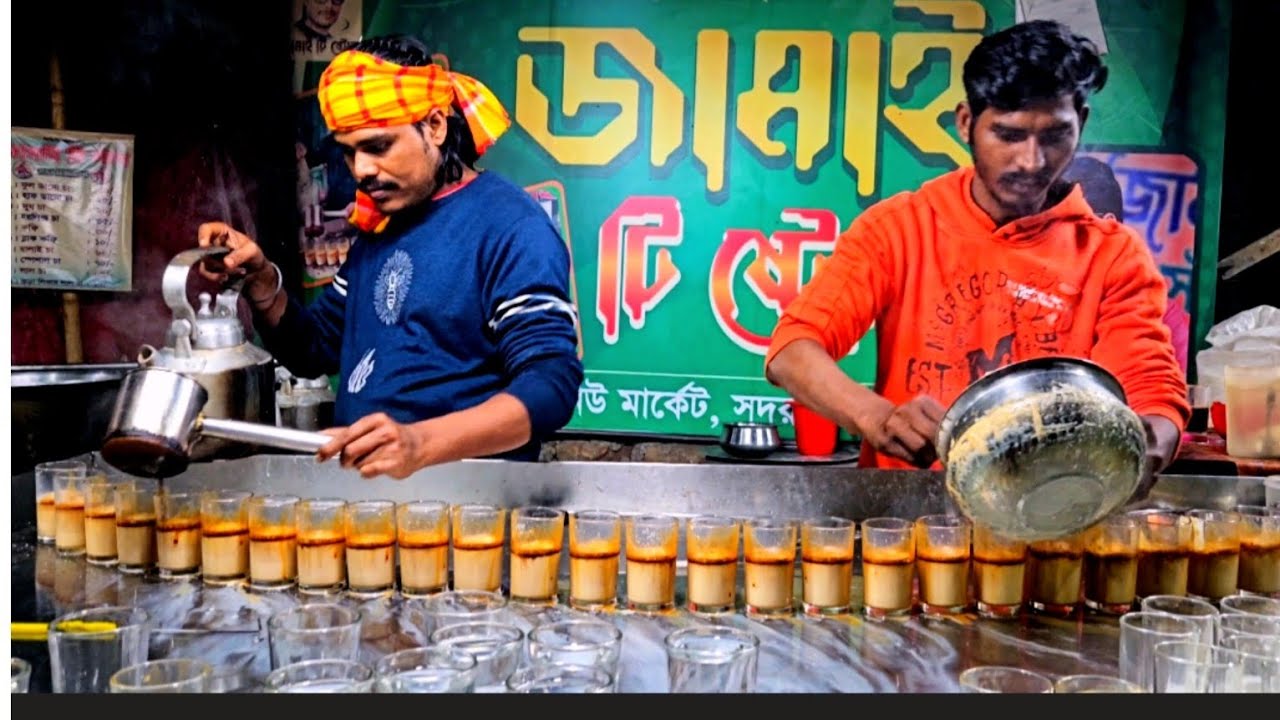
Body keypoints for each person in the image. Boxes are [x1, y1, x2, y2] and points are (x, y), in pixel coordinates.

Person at [764, 20, 1188, 494]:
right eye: (1008, 135)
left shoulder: (1113, 256)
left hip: (1052, 516)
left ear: (1081, 124)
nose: (1032, 161)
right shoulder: (900, 227)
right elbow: (793, 349)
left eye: (1054, 135)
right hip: (907, 525)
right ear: (966, 122)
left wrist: (1150, 440)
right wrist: (877, 418)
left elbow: (1151, 390)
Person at [199, 34, 584, 479]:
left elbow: (550, 385)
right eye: (349, 152)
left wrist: (421, 443)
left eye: (378, 146)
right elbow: (315, 349)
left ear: (436, 126)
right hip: (370, 504)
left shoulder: (509, 226)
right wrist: (263, 283)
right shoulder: (382, 227)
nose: (360, 170)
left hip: (468, 514)